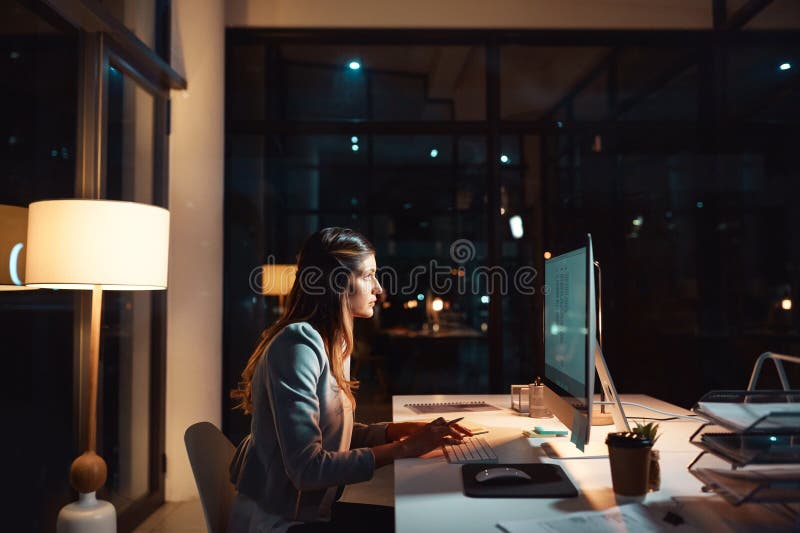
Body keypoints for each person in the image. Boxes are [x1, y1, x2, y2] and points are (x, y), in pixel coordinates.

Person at [229, 227, 470, 532]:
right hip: (280, 523)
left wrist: (394, 431)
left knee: (419, 523)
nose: (378, 288)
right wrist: (404, 449)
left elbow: (329, 435)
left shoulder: (333, 342)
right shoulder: (298, 345)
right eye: (369, 275)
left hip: (310, 513)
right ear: (339, 282)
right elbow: (307, 469)